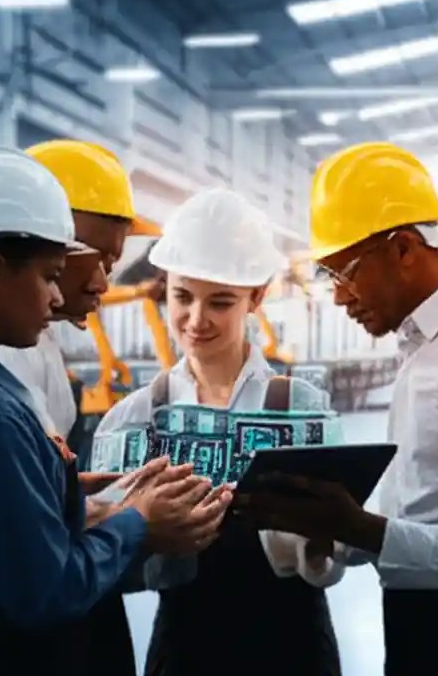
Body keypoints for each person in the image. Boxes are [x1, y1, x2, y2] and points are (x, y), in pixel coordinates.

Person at [235, 142, 438, 675]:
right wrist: (328, 528)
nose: (339, 298)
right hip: (422, 626)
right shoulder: (425, 346)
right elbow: (424, 507)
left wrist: (365, 530)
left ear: (405, 249)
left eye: (345, 274)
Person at [0, 145, 231, 675]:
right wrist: (136, 522)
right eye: (47, 276)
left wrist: (58, 495)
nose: (56, 299)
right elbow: (45, 591)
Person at [93, 187, 345, 676]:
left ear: (257, 296)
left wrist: (316, 535)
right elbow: (107, 559)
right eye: (182, 297)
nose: (195, 319)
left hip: (292, 645)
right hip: (187, 646)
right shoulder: (135, 417)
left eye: (220, 302)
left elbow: (338, 552)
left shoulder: (301, 409)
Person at [0, 139, 143, 676]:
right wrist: (133, 523)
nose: (103, 282)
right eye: (92, 259)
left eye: (114, 263)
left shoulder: (43, 343)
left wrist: (70, 498)